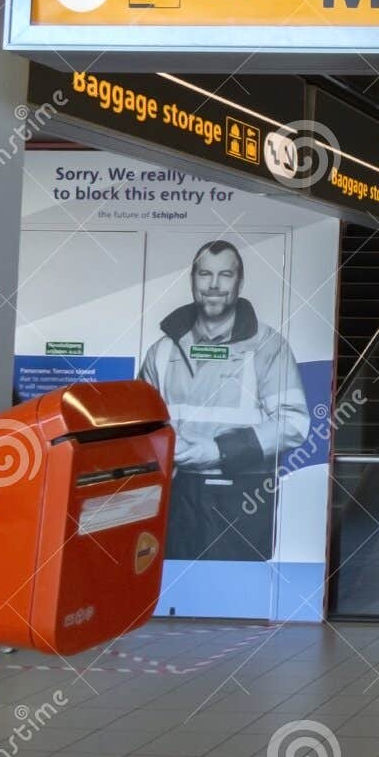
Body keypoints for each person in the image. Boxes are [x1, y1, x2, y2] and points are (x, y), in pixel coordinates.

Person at [138, 240, 308, 562]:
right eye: (205, 274)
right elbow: (140, 427)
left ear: (239, 282)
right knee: (171, 600)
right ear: (193, 280)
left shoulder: (268, 347)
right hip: (174, 499)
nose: (214, 285)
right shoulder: (161, 351)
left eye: (225, 275)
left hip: (241, 501)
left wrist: (218, 450)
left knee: (235, 601)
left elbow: (294, 423)